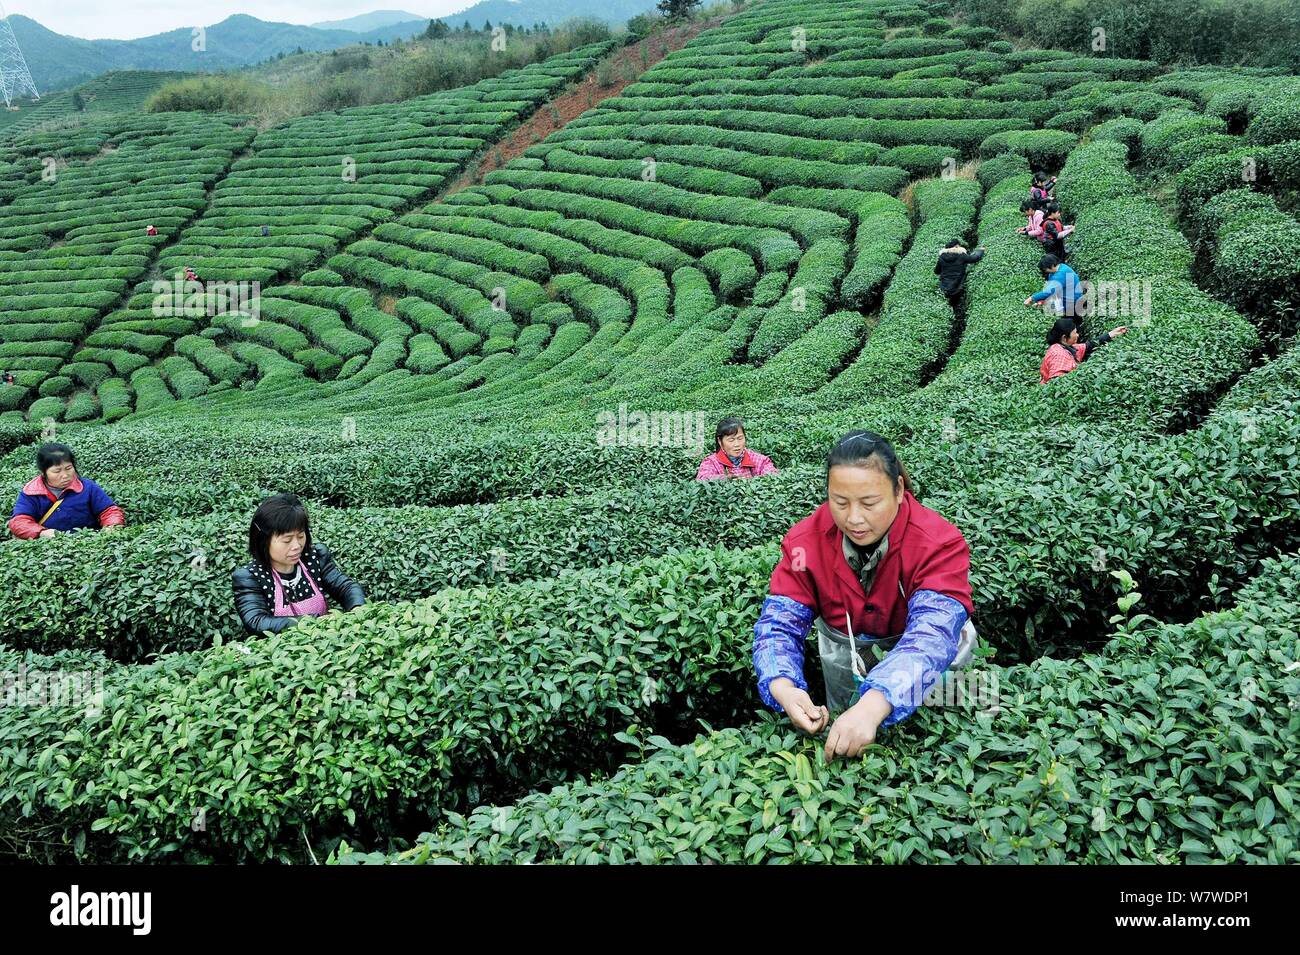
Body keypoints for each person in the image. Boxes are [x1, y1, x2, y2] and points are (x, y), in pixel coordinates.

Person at [752, 431, 977, 760]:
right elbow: (779, 623)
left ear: (899, 490)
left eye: (869, 503)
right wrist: (784, 686)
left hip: (929, 670)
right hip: (845, 659)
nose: (854, 518)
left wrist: (874, 704)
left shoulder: (937, 542)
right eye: (839, 502)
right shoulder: (805, 542)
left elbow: (932, 634)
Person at [232, 493, 366, 635]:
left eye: (300, 536)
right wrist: (315, 622)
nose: (297, 545)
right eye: (287, 540)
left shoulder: (315, 558)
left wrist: (357, 609)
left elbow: (346, 587)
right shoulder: (250, 577)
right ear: (263, 541)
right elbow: (257, 622)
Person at [8, 443, 125, 539]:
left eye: (68, 468)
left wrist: (111, 526)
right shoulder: (31, 492)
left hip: (88, 542)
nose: (65, 475)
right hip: (50, 549)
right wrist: (42, 532)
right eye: (57, 471)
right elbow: (19, 521)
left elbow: (109, 510)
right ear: (44, 472)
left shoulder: (88, 487)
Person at [1039, 316, 1128, 384]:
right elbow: (1056, 382)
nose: (1077, 335)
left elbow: (1088, 345)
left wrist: (1113, 333)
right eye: (1075, 333)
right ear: (1064, 337)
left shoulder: (1066, 347)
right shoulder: (1058, 354)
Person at [695, 417, 778, 481]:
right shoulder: (711, 462)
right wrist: (727, 478)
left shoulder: (757, 459)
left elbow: (772, 475)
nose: (737, 444)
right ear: (720, 441)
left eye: (740, 438)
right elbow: (702, 480)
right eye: (731, 440)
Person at [933, 239, 985, 307]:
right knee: (956, 303)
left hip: (944, 286)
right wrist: (980, 250)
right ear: (957, 246)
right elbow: (974, 258)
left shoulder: (942, 257)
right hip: (957, 285)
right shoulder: (961, 255)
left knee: (948, 303)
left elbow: (936, 271)